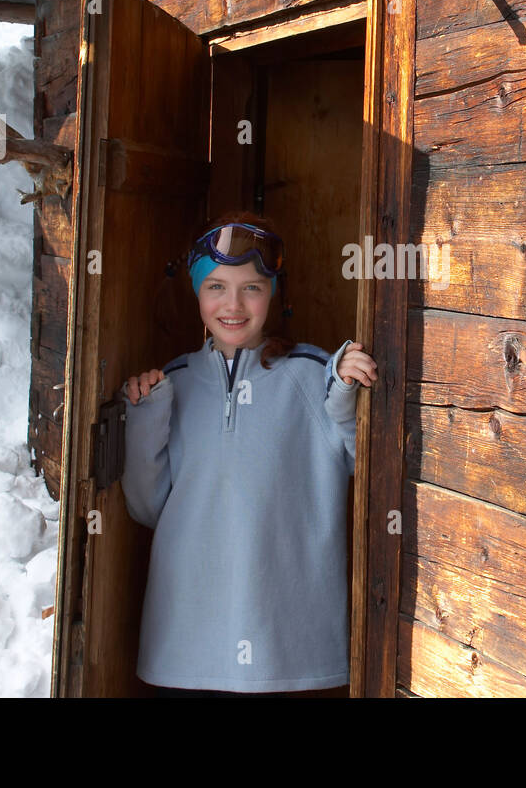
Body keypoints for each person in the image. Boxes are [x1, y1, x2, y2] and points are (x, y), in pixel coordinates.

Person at [118, 211, 378, 697]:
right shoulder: (173, 383)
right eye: (216, 286)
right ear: (196, 292)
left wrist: (345, 392)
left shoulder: (312, 374)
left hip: (286, 650)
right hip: (185, 648)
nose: (232, 304)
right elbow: (146, 508)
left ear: (273, 293)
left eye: (251, 287)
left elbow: (364, 462)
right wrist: (147, 417)